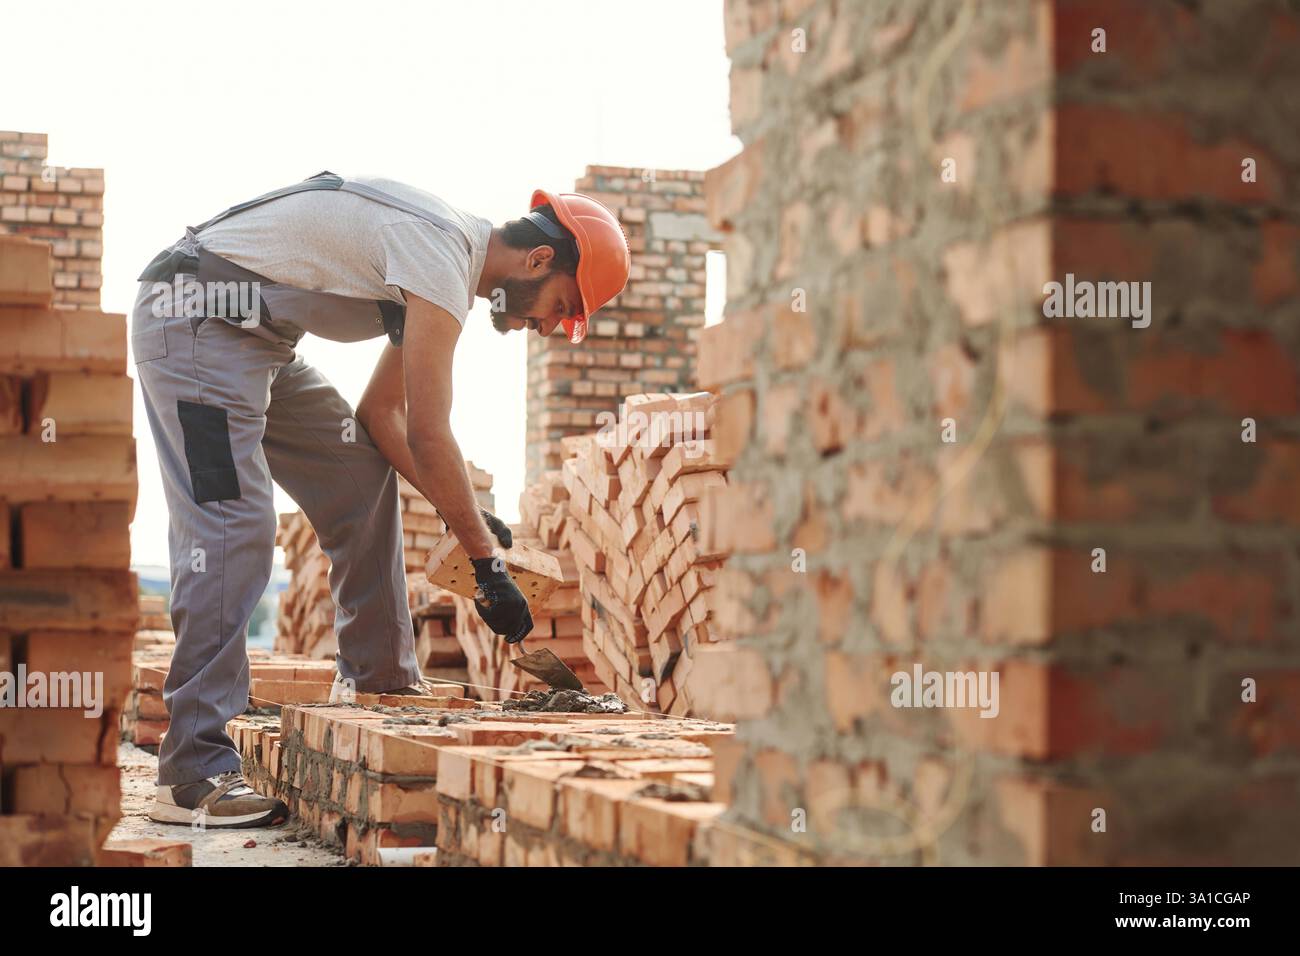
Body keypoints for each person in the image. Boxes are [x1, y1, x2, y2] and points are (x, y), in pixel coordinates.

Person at [131, 172, 629, 827]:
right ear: (538, 260)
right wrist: (488, 567)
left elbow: (381, 417)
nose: (547, 326)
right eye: (560, 306)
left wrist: (468, 517)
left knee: (360, 481)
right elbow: (427, 426)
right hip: (194, 318)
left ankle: (383, 686)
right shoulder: (442, 251)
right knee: (233, 528)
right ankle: (192, 774)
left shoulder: (443, 264)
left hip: (263, 344)